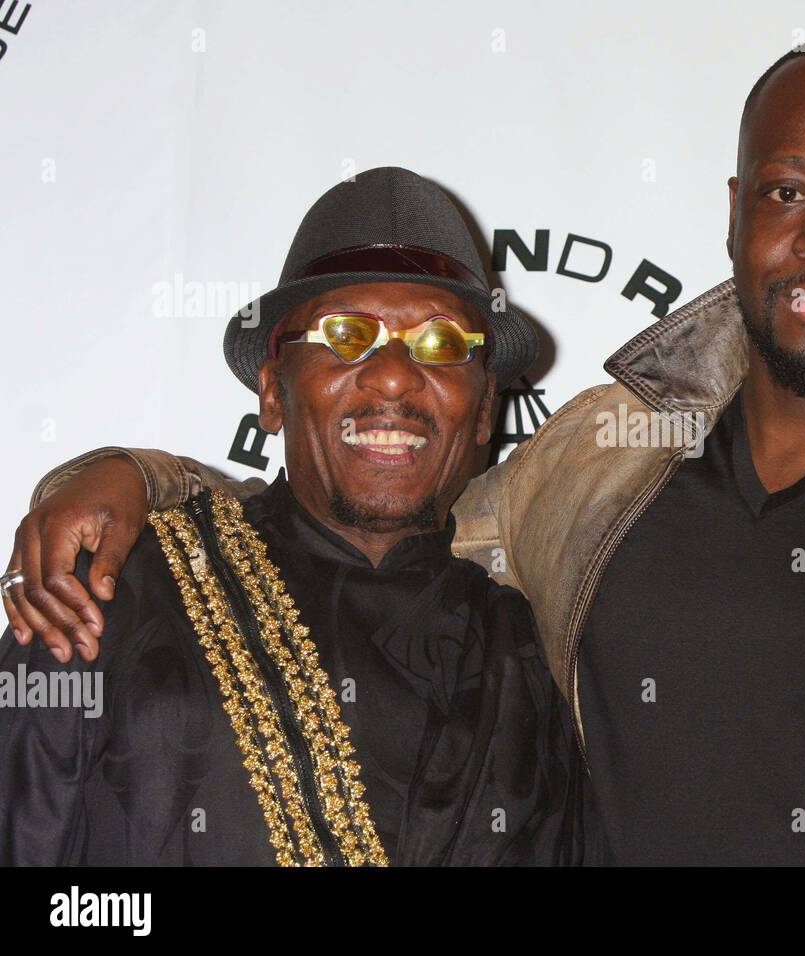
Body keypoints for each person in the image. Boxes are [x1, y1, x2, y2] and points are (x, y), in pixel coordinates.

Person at [7, 30, 805, 865]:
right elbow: (359, 516)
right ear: (734, 209)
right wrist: (123, 476)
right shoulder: (596, 464)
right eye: (785, 190)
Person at [0, 168, 576, 865]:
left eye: (442, 344)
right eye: (345, 333)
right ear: (273, 393)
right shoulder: (115, 588)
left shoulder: (522, 653)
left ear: (484, 409)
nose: (393, 374)